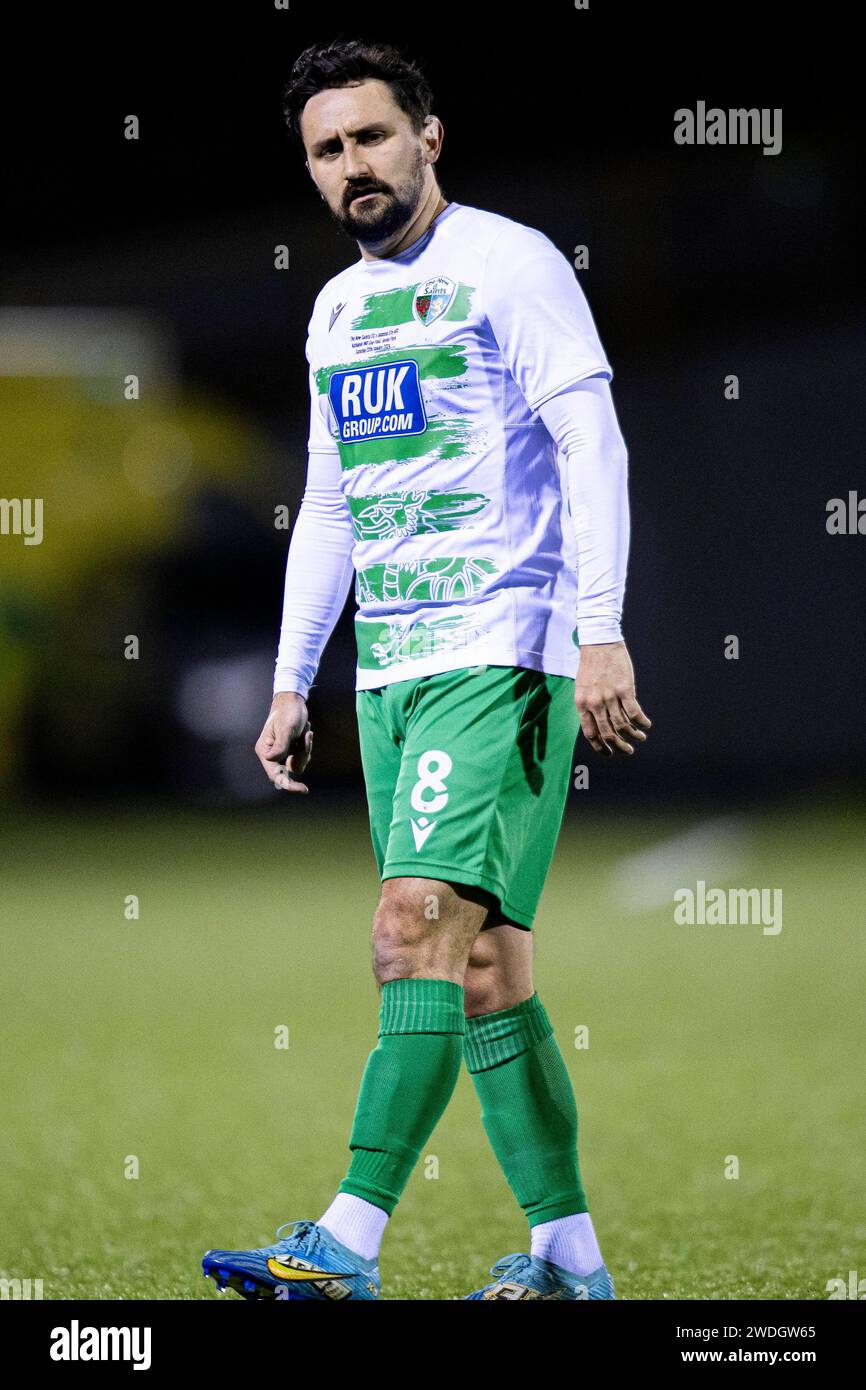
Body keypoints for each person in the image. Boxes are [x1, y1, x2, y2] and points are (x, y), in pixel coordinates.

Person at [202, 37, 651, 1302]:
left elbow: (588, 440)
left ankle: (343, 1242)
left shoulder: (506, 266)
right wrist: (294, 682)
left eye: (372, 137)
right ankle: (568, 1257)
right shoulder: (336, 309)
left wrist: (598, 627)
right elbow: (332, 503)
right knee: (482, 964)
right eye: (327, 149)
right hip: (393, 676)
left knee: (411, 931)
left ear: (428, 137)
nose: (353, 165)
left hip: (497, 654)